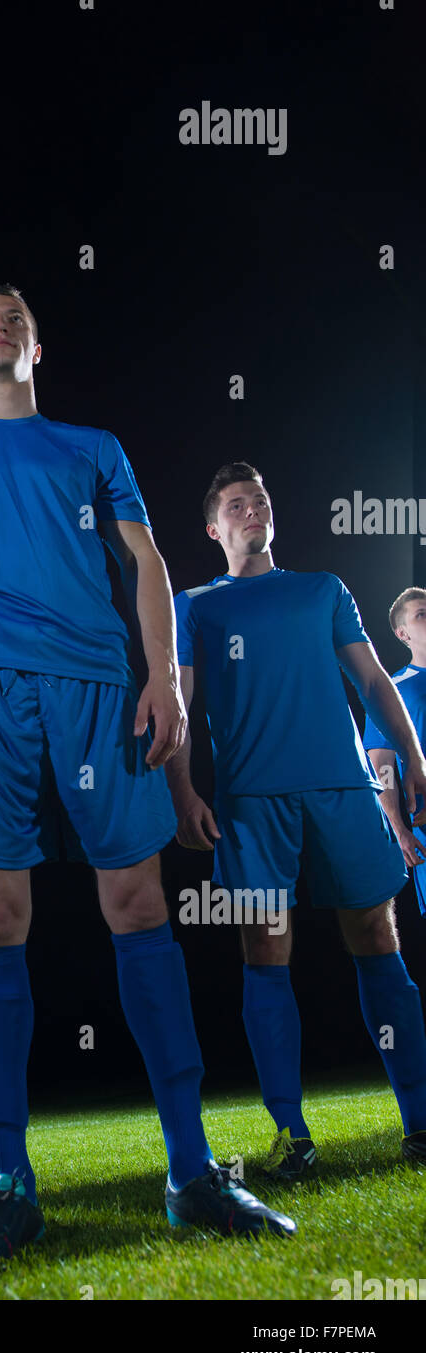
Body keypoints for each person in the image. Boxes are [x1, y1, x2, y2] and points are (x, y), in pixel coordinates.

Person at [0, 286, 295, 1266]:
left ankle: (191, 1173)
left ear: (37, 346)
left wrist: (164, 675)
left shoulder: (92, 447)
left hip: (100, 687)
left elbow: (147, 562)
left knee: (139, 905)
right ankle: (9, 1185)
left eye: (14, 319)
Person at [168, 463, 426, 1179]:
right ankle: (292, 1134)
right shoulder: (195, 605)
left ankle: (420, 1121)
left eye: (259, 500)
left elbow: (372, 679)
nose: (251, 509)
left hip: (343, 787)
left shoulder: (323, 589)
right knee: (264, 949)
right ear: (213, 527)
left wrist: (413, 757)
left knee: (376, 935)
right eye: (235, 504)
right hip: (251, 802)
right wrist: (183, 792)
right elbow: (180, 705)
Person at [364, 587, 426, 921]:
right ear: (403, 634)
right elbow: (381, 765)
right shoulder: (392, 691)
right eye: (422, 615)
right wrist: (400, 829)